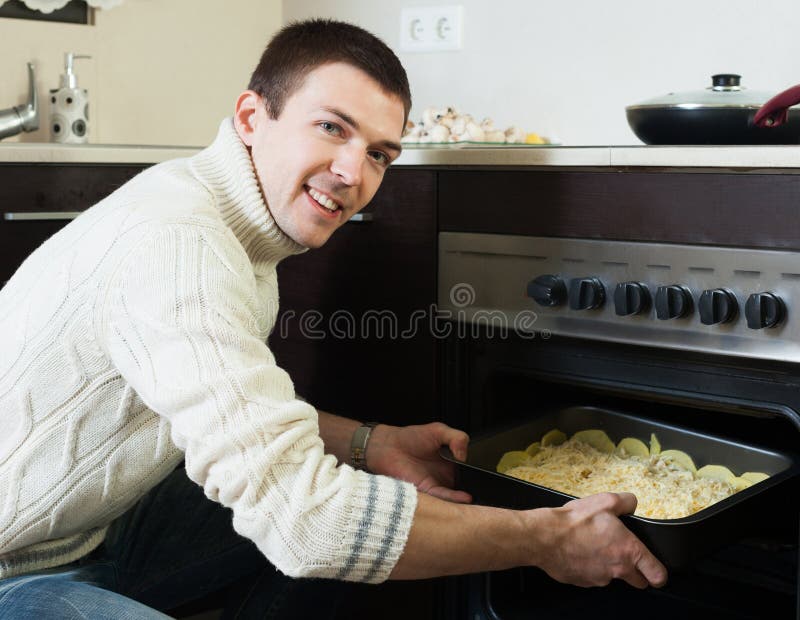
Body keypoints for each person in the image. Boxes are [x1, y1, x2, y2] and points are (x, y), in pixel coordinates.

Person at [0, 19, 667, 619]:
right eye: (332, 127)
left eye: (379, 153)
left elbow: (230, 412)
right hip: (14, 570)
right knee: (323, 520)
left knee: (360, 510)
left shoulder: (228, 228)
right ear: (252, 117)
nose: (354, 171)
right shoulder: (179, 245)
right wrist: (544, 540)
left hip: (97, 531)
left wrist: (371, 444)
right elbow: (308, 522)